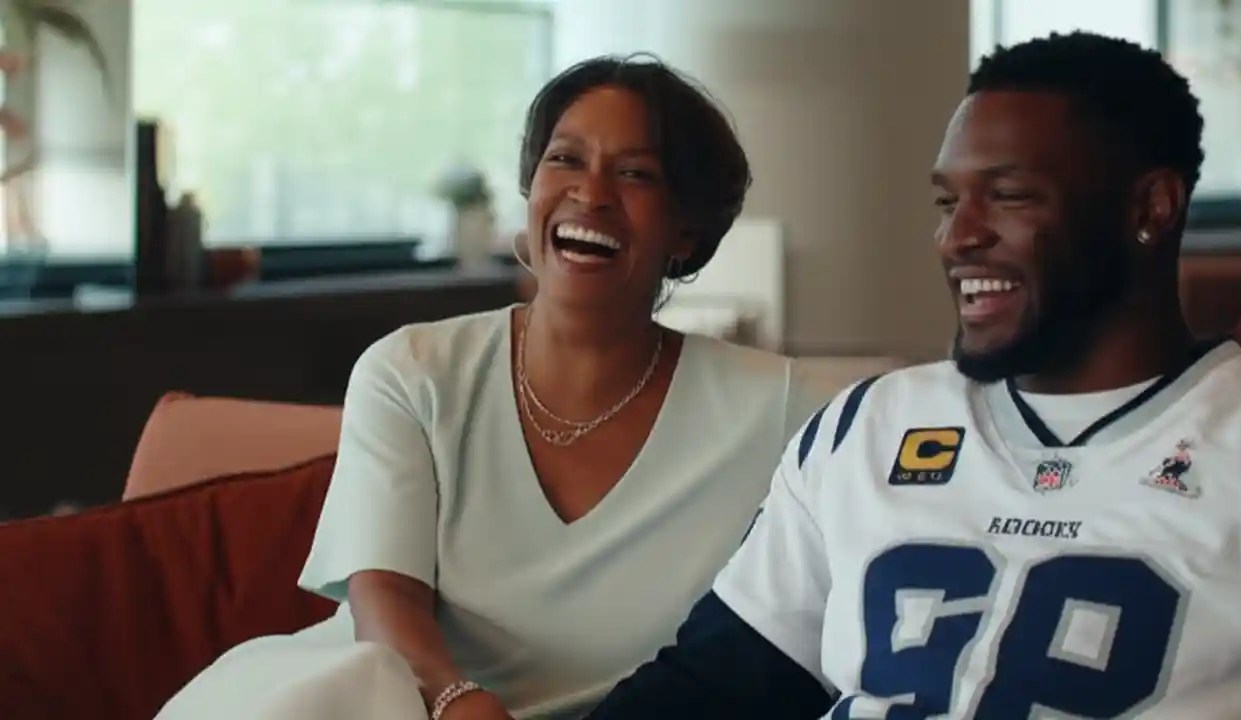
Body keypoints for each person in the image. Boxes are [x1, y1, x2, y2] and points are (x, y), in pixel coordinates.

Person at [588, 33, 1241, 719]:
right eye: (949, 203)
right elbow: (718, 684)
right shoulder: (870, 426)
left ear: (1150, 207)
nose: (957, 237)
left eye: (1009, 197)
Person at [156, 55, 843, 720]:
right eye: (565, 159)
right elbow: (384, 596)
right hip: (378, 702)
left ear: (684, 231)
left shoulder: (781, 413)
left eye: (635, 173)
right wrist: (458, 703)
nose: (591, 193)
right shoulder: (412, 371)